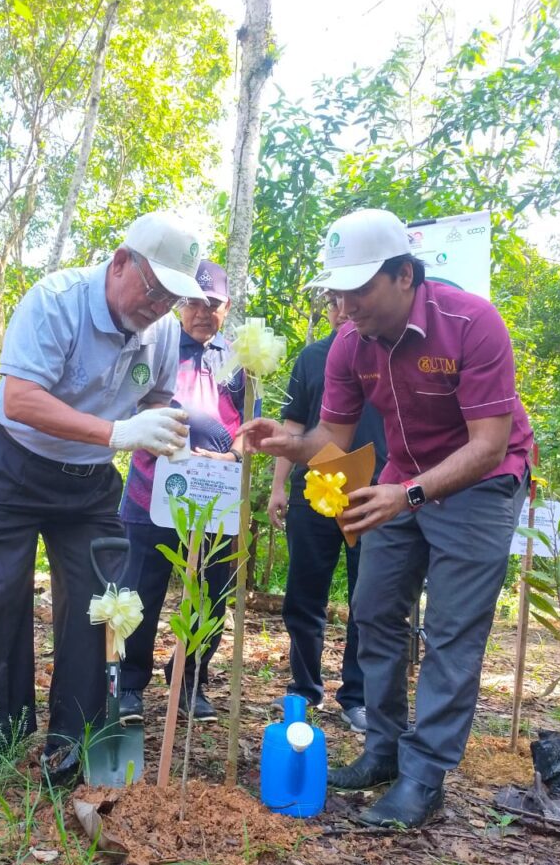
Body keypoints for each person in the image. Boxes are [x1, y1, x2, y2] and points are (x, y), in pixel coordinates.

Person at [241, 207, 533, 828]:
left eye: (360, 288)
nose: (346, 305)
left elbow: (487, 444)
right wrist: (285, 444)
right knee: (374, 607)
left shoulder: (472, 323)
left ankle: (424, 777)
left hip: (483, 479)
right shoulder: (350, 343)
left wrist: (411, 495)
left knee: (452, 630)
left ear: (405, 274)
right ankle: (383, 748)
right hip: (405, 473)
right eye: (338, 291)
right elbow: (334, 439)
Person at [0, 211, 207, 792]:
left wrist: (174, 438)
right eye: (153, 288)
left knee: (98, 607)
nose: (160, 305)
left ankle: (72, 743)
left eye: (172, 296)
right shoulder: (55, 301)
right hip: (10, 468)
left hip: (87, 484)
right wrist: (117, 434)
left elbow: (159, 399)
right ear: (120, 263)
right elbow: (20, 399)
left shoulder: (161, 331)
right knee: (1, 600)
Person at [118, 260, 244, 726]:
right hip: (154, 492)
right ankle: (130, 684)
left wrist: (232, 458)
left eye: (212, 304)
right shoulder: (154, 344)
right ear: (179, 303)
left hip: (218, 496)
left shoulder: (238, 359)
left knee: (211, 592)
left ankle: (189, 679)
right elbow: (127, 406)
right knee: (141, 589)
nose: (202, 312)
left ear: (226, 308)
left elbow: (251, 427)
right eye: (193, 301)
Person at [268, 294, 386, 733]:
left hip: (375, 492)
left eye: (349, 300)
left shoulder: (387, 353)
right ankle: (305, 687)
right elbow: (295, 425)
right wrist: (279, 485)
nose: (342, 309)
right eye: (334, 301)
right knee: (303, 595)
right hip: (314, 492)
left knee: (368, 598)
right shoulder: (313, 357)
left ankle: (356, 696)